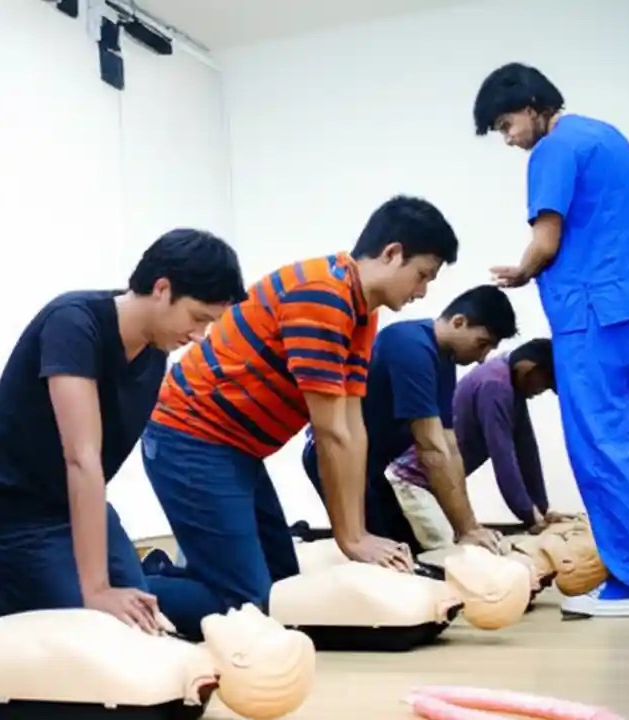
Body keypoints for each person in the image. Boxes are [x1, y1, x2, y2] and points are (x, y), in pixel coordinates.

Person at [139, 196, 459, 638]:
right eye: (422, 275)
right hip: (190, 439)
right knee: (249, 608)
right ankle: (109, 591)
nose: (422, 290)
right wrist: (351, 539)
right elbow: (329, 433)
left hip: (236, 451)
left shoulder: (361, 313)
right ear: (391, 254)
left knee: (283, 587)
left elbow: (352, 427)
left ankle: (175, 570)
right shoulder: (321, 295)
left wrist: (358, 532)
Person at [0, 229, 247, 650]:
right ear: (163, 289)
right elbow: (82, 457)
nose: (200, 335)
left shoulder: (154, 349)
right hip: (11, 506)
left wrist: (103, 589)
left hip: (67, 504)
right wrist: (95, 591)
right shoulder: (74, 323)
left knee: (139, 624)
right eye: (199, 318)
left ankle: (1, 590)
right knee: (82, 638)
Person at [474, 62, 629, 616]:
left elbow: (546, 238)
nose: (510, 138)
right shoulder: (607, 135)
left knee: (598, 441)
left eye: (506, 123)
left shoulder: (553, 149)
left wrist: (520, 273)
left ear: (534, 104)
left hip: (591, 306)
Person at [301, 285, 518, 555]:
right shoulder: (411, 345)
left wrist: (471, 526)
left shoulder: (443, 361)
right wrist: (466, 529)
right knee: (384, 559)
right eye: (482, 343)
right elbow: (431, 448)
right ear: (459, 322)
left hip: (369, 468)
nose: (482, 357)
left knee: (409, 549)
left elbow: (448, 445)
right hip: (335, 460)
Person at [386, 338, 573, 549]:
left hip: (438, 486)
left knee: (458, 548)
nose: (541, 390)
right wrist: (528, 513)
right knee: (448, 552)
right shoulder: (495, 385)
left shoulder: (511, 383)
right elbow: (503, 457)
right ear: (528, 368)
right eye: (545, 383)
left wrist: (541, 509)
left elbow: (526, 448)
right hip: (412, 481)